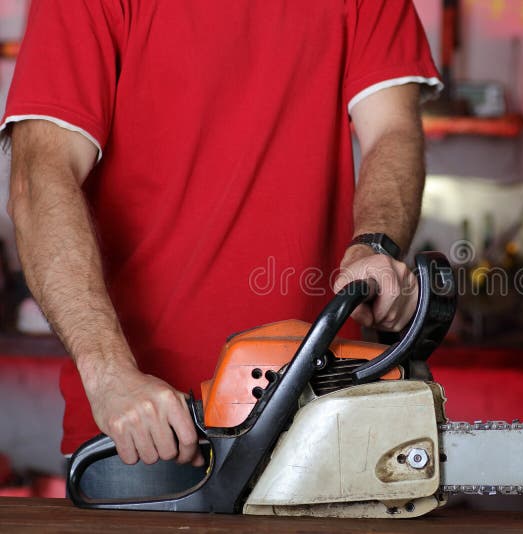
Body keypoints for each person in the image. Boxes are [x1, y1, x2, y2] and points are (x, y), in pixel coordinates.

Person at [3, 1, 441, 467]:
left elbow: (391, 132)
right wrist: (109, 376)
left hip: (325, 409)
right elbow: (40, 179)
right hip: (145, 425)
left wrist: (374, 245)